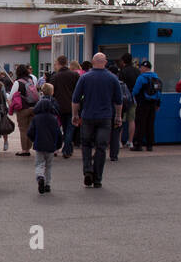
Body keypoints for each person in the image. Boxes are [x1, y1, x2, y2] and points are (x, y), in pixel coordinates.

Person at [71, 53, 124, 187]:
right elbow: (119, 101)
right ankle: (97, 178)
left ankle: (88, 170)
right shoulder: (112, 79)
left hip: (88, 116)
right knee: (101, 147)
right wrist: (118, 116)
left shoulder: (85, 78)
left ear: (93, 62)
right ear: (105, 62)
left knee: (87, 144)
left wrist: (75, 115)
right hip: (105, 117)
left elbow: (75, 99)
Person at [28, 83, 64, 194]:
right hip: (50, 146)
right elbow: (58, 133)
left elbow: (30, 132)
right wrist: (58, 144)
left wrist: (33, 139)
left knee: (39, 164)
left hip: (39, 144)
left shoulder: (36, 118)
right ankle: (48, 184)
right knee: (49, 166)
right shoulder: (53, 119)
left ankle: (40, 177)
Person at [50, 55, 80, 159]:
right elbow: (79, 90)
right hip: (73, 106)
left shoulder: (55, 77)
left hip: (59, 107)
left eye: (55, 64)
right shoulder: (74, 75)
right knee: (70, 129)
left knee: (63, 128)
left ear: (59, 63)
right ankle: (68, 149)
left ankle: (66, 149)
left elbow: (51, 92)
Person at [131, 60, 162, 152]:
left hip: (142, 103)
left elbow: (135, 91)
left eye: (141, 67)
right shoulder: (156, 78)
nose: (140, 69)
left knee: (140, 123)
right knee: (150, 124)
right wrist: (158, 104)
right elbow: (159, 92)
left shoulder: (141, 78)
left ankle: (138, 144)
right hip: (153, 104)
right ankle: (149, 145)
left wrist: (133, 97)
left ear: (144, 68)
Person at [9, 64, 38, 157]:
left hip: (23, 109)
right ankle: (29, 147)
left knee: (23, 129)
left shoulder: (18, 82)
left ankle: (24, 150)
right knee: (30, 128)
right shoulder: (31, 80)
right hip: (33, 107)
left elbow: (11, 96)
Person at [118, 53, 140, 149]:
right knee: (132, 120)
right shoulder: (137, 71)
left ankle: (119, 142)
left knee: (120, 120)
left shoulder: (122, 71)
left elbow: (119, 85)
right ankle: (130, 141)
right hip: (133, 98)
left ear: (123, 61)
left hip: (123, 99)